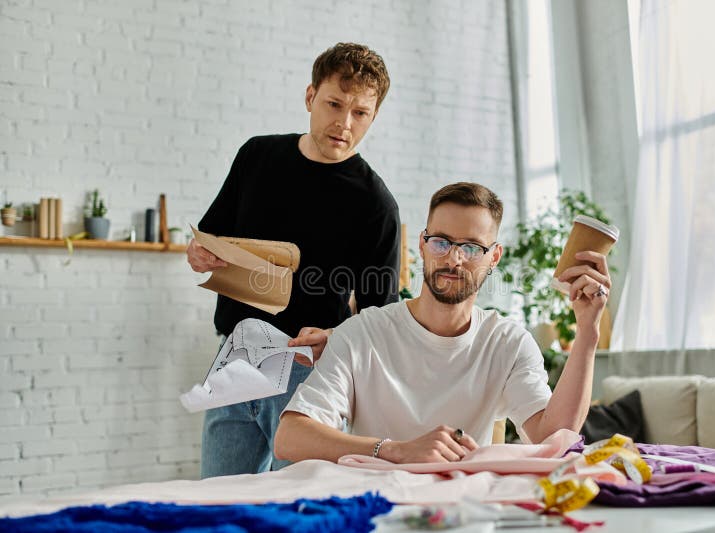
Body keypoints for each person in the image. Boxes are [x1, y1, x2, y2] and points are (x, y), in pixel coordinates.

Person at [275, 182, 611, 463]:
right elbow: (290, 437)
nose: (453, 258)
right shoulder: (364, 332)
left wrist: (587, 331)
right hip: (373, 503)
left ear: (494, 257)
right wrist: (395, 450)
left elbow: (554, 438)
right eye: (441, 242)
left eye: (472, 247)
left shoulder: (507, 343)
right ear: (423, 246)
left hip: (461, 506)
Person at [188, 43, 400, 477]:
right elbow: (211, 238)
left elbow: (380, 316)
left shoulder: (376, 205)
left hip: (308, 372)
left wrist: (334, 336)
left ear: (373, 116)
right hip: (235, 358)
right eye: (334, 104)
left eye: (360, 112)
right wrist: (199, 253)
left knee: (299, 501)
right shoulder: (256, 157)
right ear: (310, 96)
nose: (344, 123)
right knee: (217, 499)